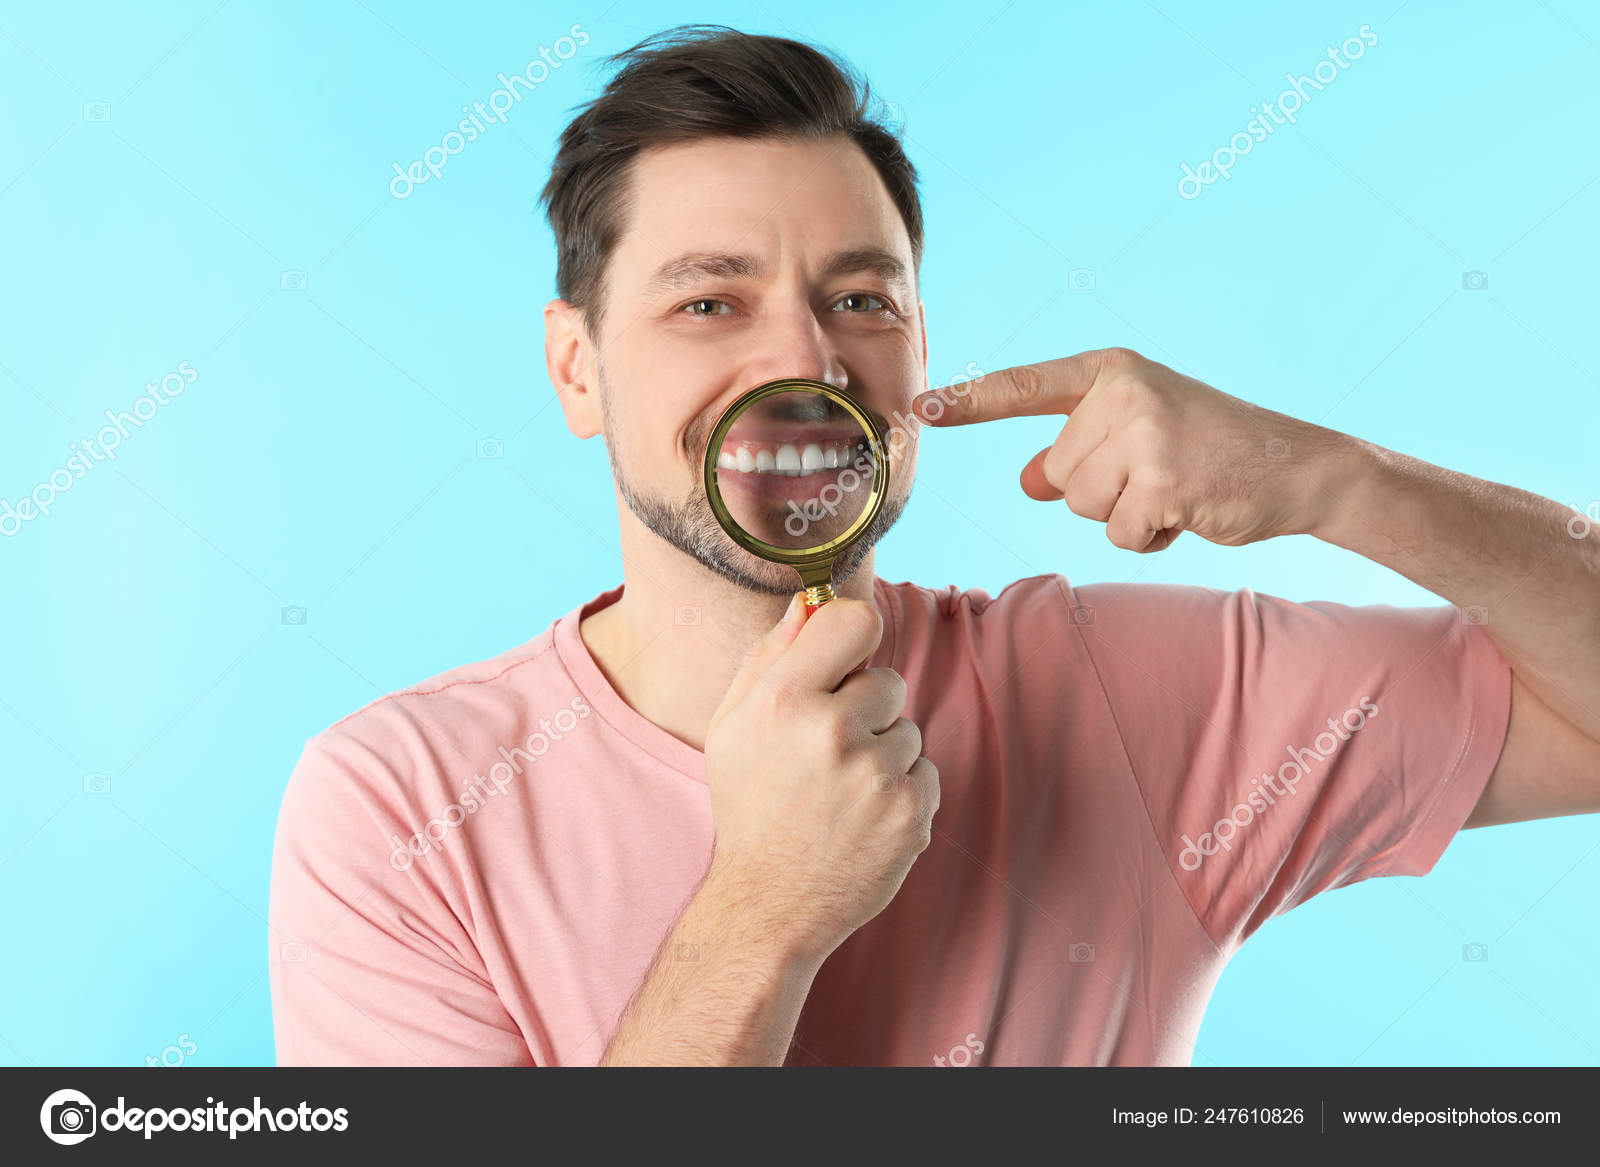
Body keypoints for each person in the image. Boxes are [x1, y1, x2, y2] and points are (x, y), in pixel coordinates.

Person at [269, 26, 1600, 1066]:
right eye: (708, 301)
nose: (801, 357)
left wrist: (1338, 481)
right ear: (577, 371)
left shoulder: (1125, 697)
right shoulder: (392, 809)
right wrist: (763, 918)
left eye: (859, 298)